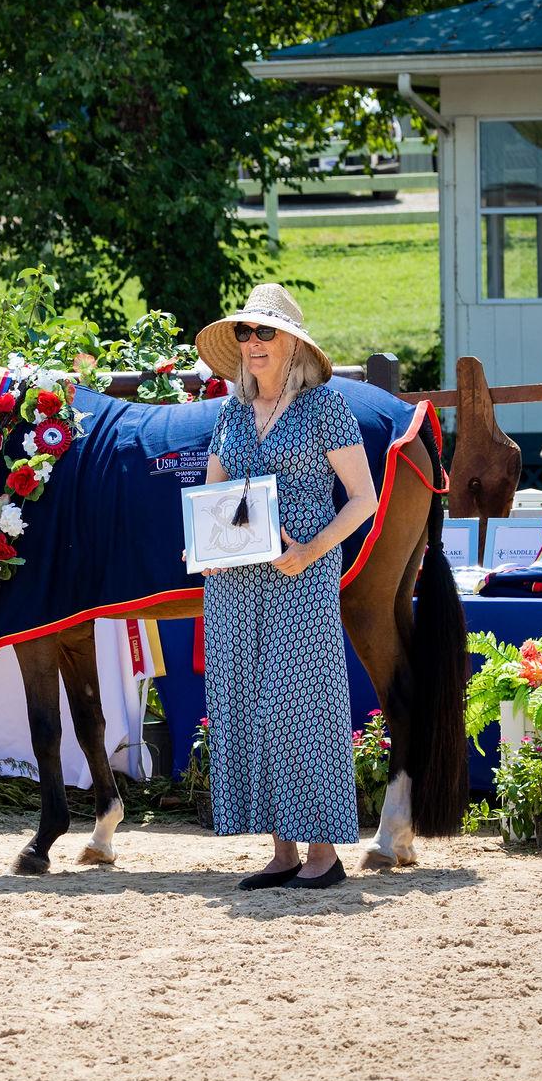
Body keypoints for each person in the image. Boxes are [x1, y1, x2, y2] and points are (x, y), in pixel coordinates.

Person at [192, 284, 377, 891]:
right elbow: (215, 496)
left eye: (264, 332)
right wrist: (204, 549)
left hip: (302, 573)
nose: (252, 343)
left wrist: (311, 551)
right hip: (235, 588)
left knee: (300, 707)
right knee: (247, 705)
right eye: (244, 333)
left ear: (293, 343)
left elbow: (362, 500)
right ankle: (282, 851)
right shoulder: (230, 413)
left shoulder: (324, 406)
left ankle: (323, 855)